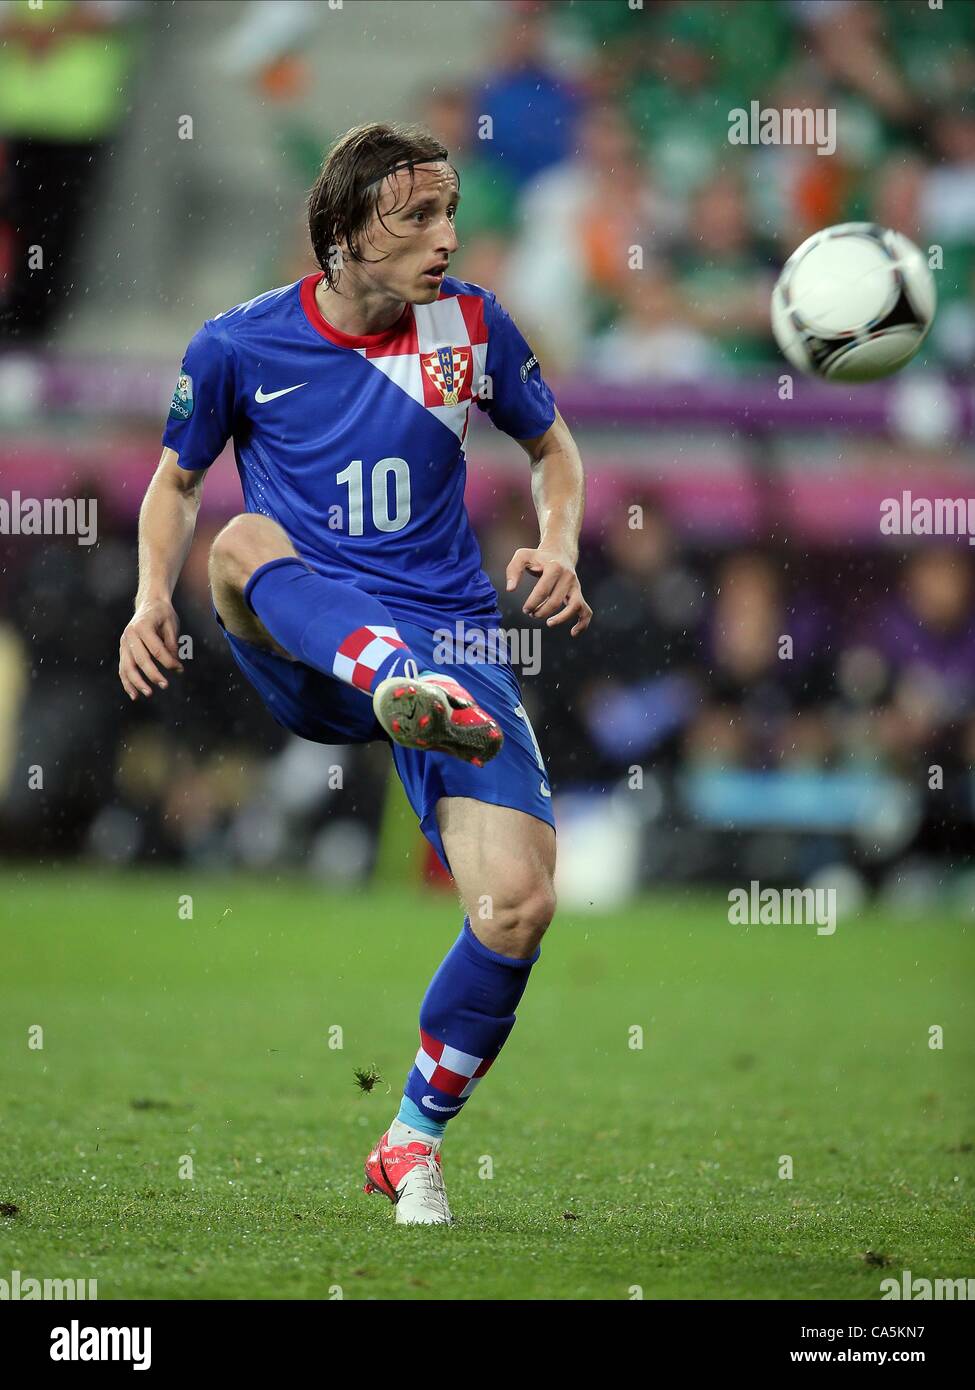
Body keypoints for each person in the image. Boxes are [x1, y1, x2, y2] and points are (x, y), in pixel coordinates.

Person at [117, 122, 592, 1226]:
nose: (447, 237)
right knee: (239, 544)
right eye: (416, 217)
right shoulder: (236, 345)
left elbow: (552, 447)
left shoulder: (468, 327)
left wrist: (557, 544)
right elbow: (176, 486)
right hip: (305, 636)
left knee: (517, 903)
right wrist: (150, 599)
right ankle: (386, 678)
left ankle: (410, 1138)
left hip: (451, 643)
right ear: (341, 234)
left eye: (450, 212)